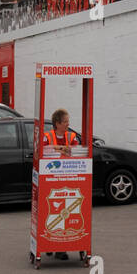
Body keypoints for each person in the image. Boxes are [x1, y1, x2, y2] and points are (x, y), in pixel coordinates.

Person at [42, 109, 82, 261]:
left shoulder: (72, 136)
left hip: (68, 180)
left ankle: (61, 249)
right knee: (51, 212)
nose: (68, 124)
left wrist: (57, 149)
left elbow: (76, 151)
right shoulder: (47, 136)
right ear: (57, 123)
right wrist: (62, 149)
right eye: (65, 121)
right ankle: (49, 244)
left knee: (65, 214)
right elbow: (44, 151)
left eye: (67, 121)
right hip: (51, 181)